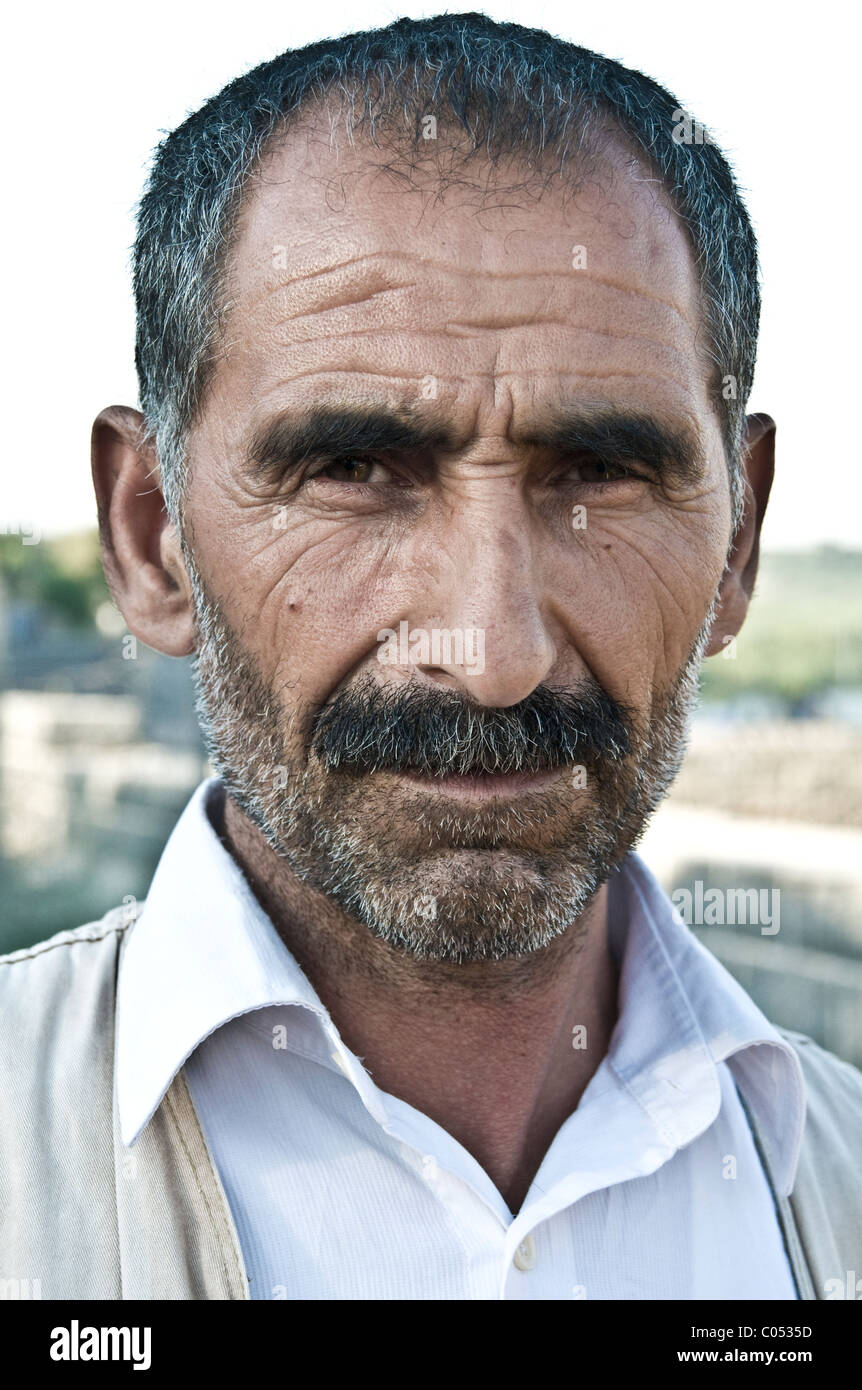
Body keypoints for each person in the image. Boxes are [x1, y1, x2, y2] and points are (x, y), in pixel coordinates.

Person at [2, 12, 860, 1301]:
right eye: (352, 470)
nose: (496, 656)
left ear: (738, 546)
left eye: (603, 476)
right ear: (152, 540)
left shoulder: (836, 1190)